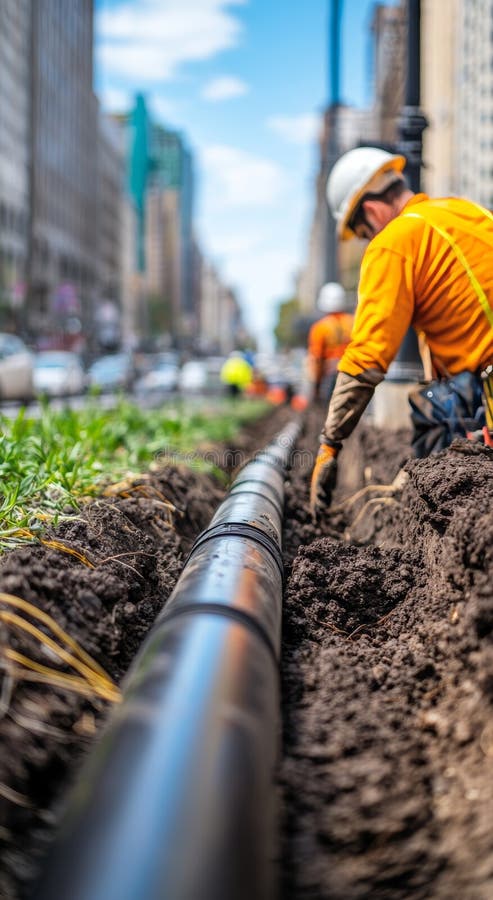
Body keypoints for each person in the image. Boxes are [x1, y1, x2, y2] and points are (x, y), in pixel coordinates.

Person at [310, 145, 493, 517]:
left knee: (431, 416)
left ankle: (439, 518)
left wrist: (330, 446)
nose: (368, 240)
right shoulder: (463, 211)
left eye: (363, 232)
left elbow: (367, 359)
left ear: (373, 210)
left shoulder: (393, 242)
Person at [307, 282, 354, 402]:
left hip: (331, 376)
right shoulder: (354, 323)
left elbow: (317, 359)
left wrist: (316, 385)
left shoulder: (320, 328)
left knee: (330, 411)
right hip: (353, 373)